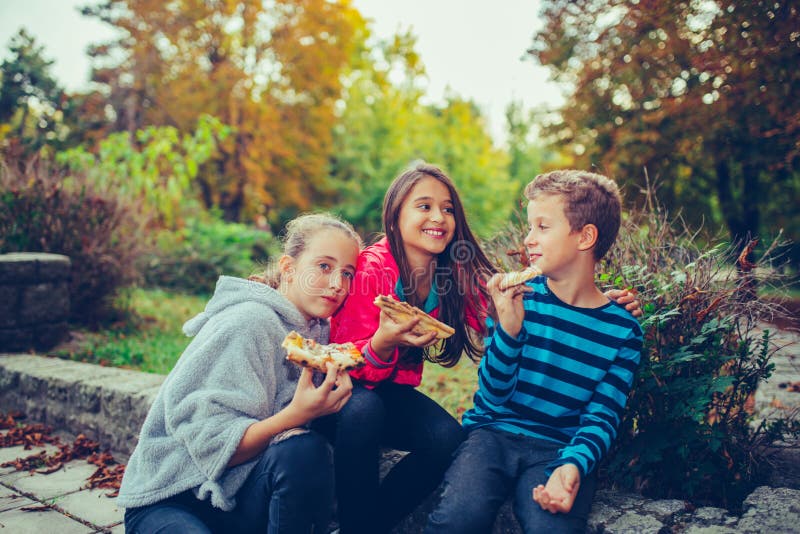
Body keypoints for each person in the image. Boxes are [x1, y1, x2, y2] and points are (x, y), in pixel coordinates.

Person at [320, 164, 641, 534]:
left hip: (390, 394)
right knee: (364, 408)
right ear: (395, 214)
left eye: (448, 208)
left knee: (446, 439)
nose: (439, 217)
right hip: (339, 390)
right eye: (423, 206)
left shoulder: (454, 275)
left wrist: (607, 308)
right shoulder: (372, 271)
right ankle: (355, 526)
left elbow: (512, 303)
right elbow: (342, 358)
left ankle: (372, 526)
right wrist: (382, 342)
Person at [423, 169, 644, 534]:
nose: (528, 239)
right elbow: (492, 400)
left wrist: (572, 466)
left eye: (543, 226)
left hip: (559, 448)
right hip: (492, 435)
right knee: (459, 517)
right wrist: (509, 330)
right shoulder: (518, 299)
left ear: (585, 237)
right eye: (529, 227)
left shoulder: (622, 330)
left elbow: (603, 416)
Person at [118, 213, 361, 534]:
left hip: (238, 500)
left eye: (347, 273)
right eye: (324, 267)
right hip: (172, 498)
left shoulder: (317, 336)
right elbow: (212, 445)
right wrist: (296, 414)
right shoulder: (249, 321)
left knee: (305, 450)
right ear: (288, 269)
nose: (337, 284)